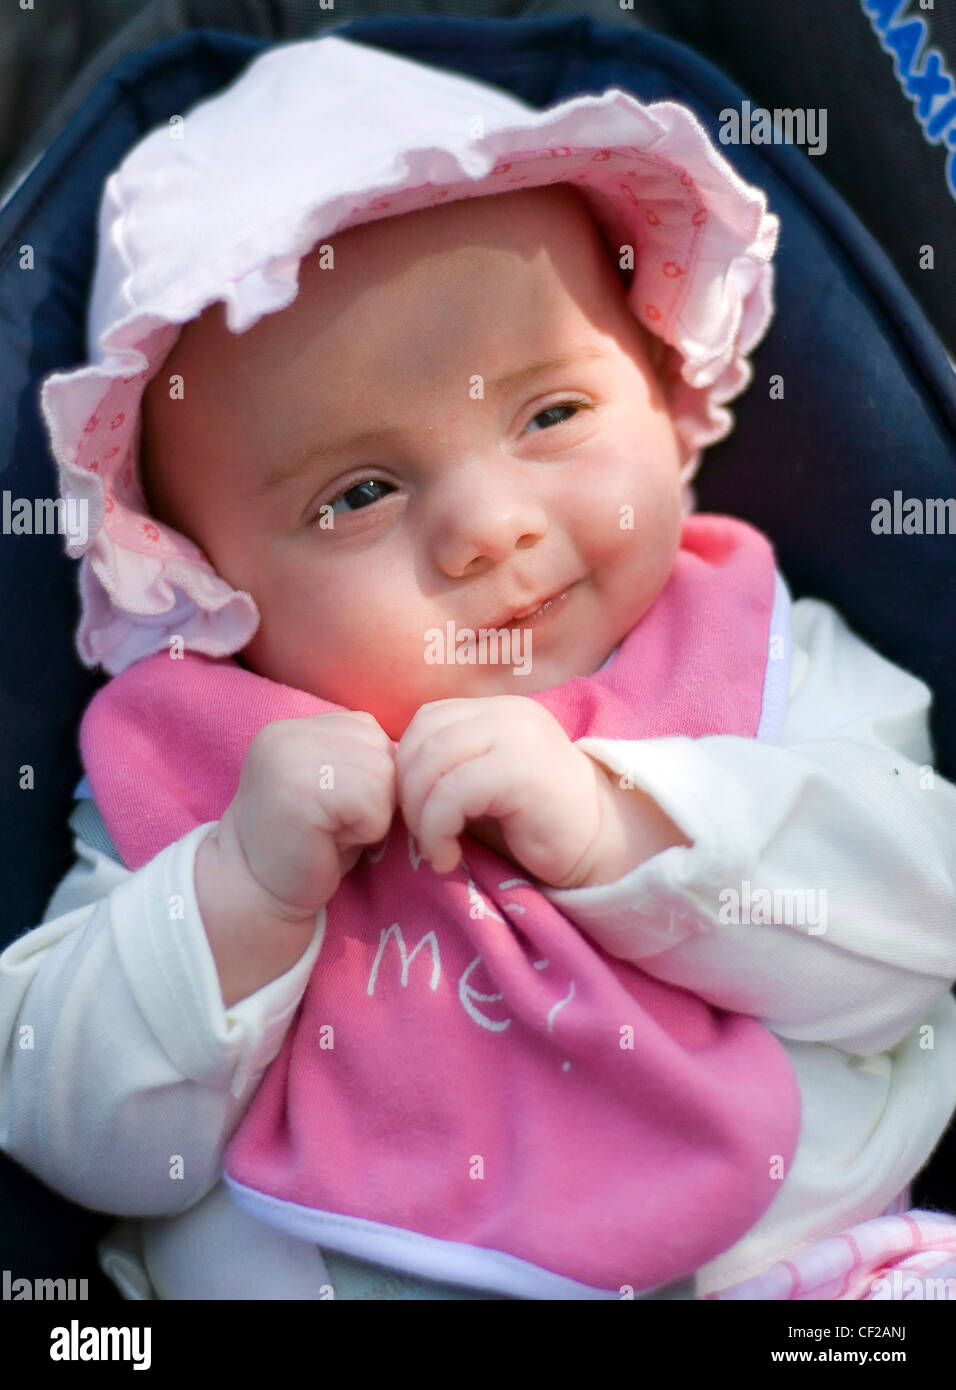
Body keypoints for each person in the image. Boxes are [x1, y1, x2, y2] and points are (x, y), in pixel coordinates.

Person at [3, 34, 955, 1301]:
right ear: (205, 585)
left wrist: (626, 826)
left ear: (667, 401)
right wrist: (237, 895)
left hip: (790, 1274)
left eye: (549, 414)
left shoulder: (748, 646)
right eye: (358, 493)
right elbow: (78, 1129)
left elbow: (918, 927)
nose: (488, 525)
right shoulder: (200, 771)